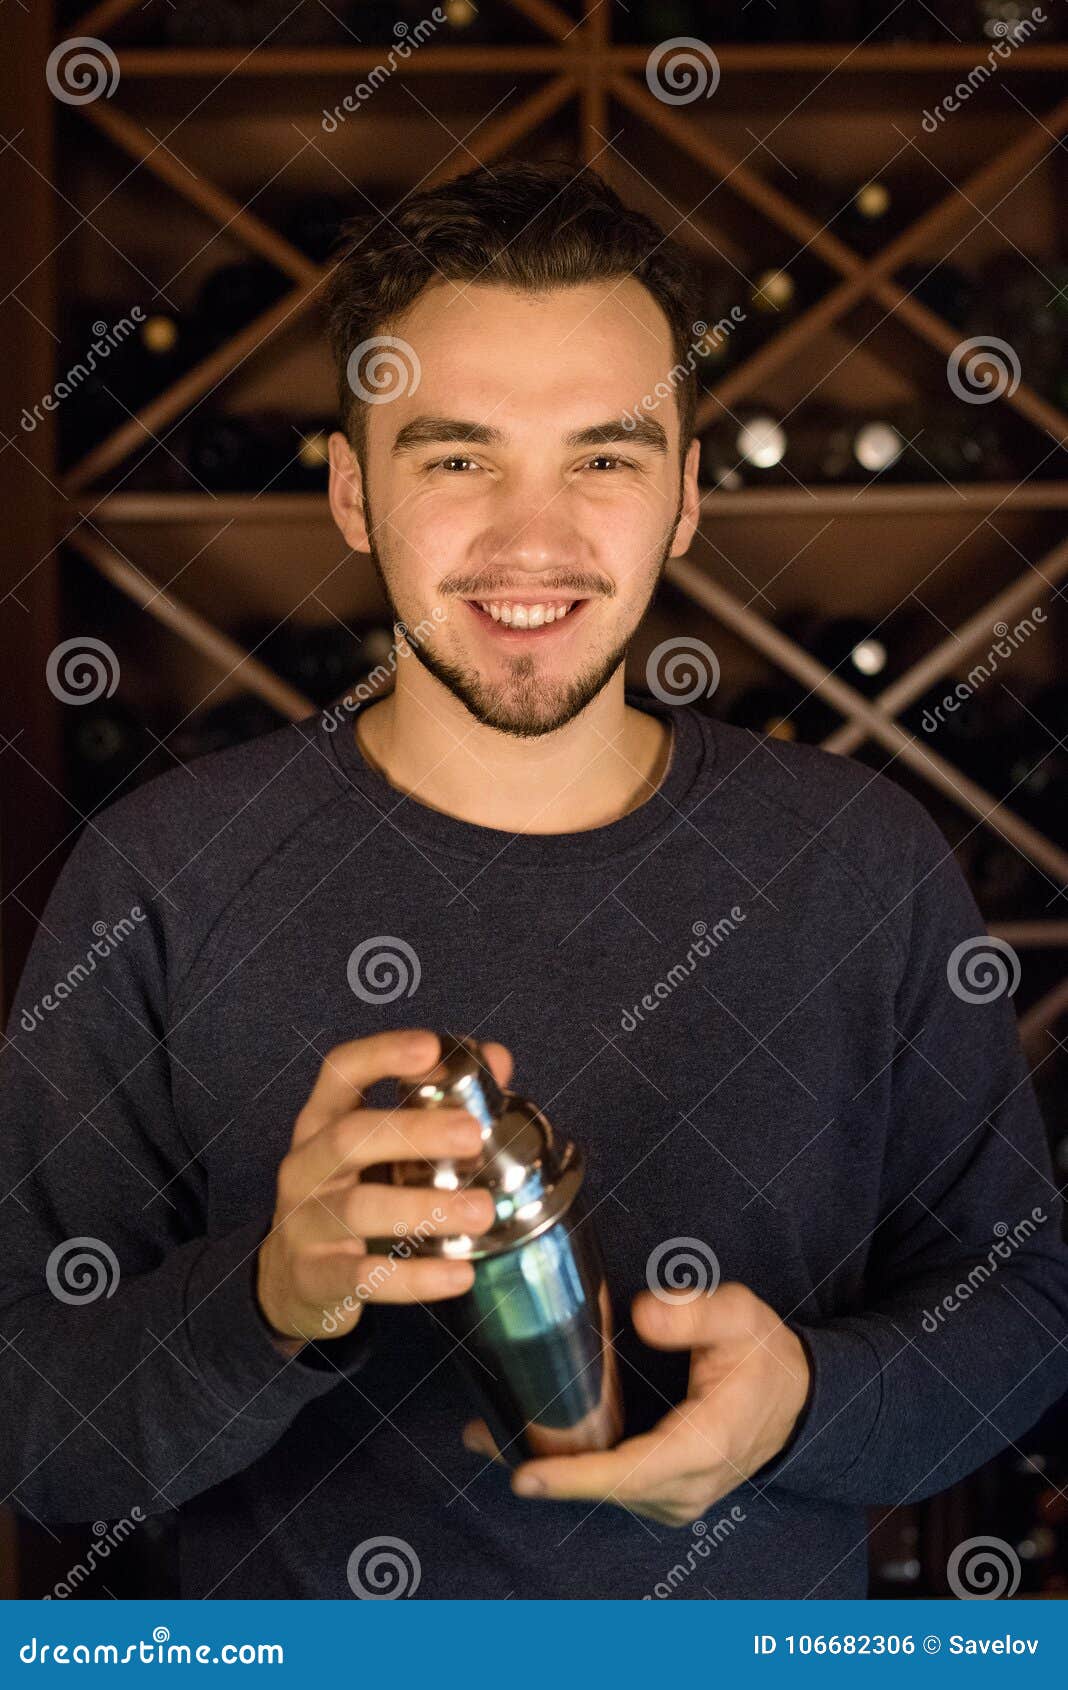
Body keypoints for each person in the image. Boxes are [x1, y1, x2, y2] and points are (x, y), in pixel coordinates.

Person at [1, 161, 1065, 1601]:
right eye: (457, 458)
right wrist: (263, 1303)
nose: (534, 542)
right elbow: (32, 1424)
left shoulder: (860, 861)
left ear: (685, 495)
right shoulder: (162, 880)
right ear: (351, 490)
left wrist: (806, 1401)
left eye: (605, 459)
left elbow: (1026, 1313)